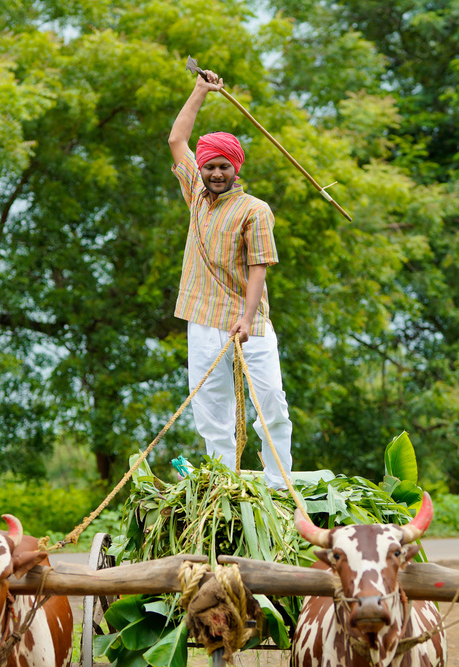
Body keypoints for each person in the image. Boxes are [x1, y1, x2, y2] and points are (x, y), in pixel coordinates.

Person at [167, 67, 293, 489]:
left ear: (235, 168)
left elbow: (260, 265)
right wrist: (200, 90)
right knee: (211, 407)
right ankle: (223, 482)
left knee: (271, 401)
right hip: (203, 319)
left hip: (249, 323)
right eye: (210, 167)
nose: (216, 174)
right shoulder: (195, 195)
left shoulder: (255, 209)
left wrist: (247, 315)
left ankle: (278, 482)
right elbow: (176, 140)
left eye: (223, 166)